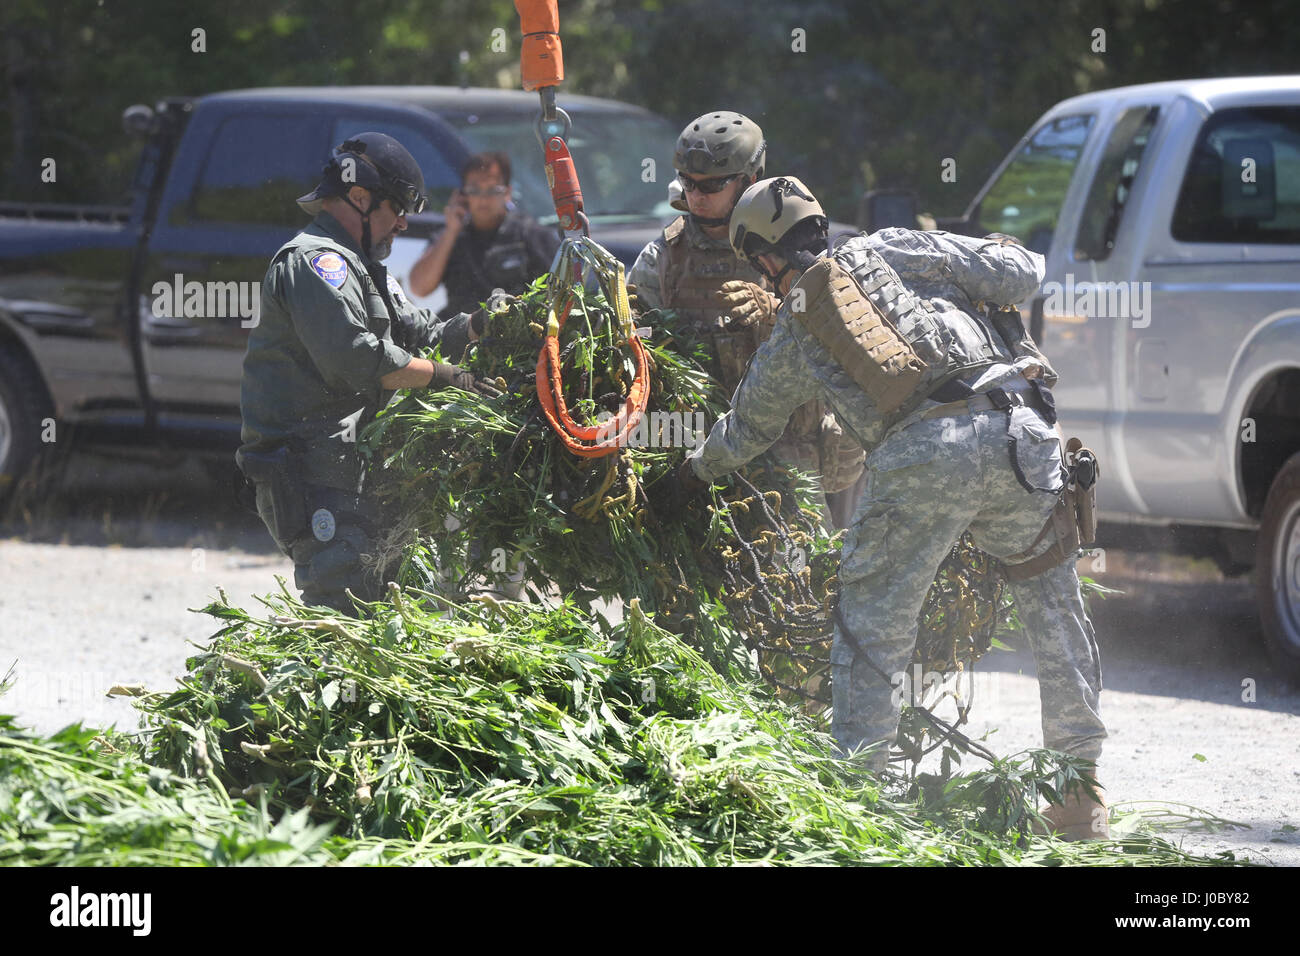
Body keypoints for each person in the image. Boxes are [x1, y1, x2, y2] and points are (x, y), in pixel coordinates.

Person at [660, 176, 1108, 840]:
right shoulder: (897, 244)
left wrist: (689, 478)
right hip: (1025, 438)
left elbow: (748, 426)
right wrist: (972, 259)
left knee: (872, 629)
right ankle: (1079, 796)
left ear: (763, 258)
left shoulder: (799, 320)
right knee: (1053, 607)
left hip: (926, 458)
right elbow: (1022, 272)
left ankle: (863, 799)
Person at [237, 132, 502, 614]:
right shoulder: (315, 262)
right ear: (359, 198)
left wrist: (477, 327)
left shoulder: (363, 264)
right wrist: (445, 375)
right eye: (397, 208)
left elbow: (419, 334)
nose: (403, 223)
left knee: (397, 610)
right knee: (348, 606)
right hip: (310, 473)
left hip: (354, 469)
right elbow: (356, 358)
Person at [627, 111, 863, 525]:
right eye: (688, 182)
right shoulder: (665, 257)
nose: (697, 195)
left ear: (749, 180)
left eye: (713, 184)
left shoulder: (791, 239)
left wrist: (774, 312)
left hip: (788, 448)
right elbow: (632, 336)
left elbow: (846, 335)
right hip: (696, 447)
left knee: (803, 575)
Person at [408, 151, 560, 317]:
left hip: (516, 335)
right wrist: (451, 231)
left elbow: (560, 294)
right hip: (462, 337)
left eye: (492, 190)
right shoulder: (451, 238)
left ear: (507, 193)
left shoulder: (530, 234)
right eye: (475, 190)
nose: (483, 199)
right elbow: (419, 288)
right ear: (463, 195)